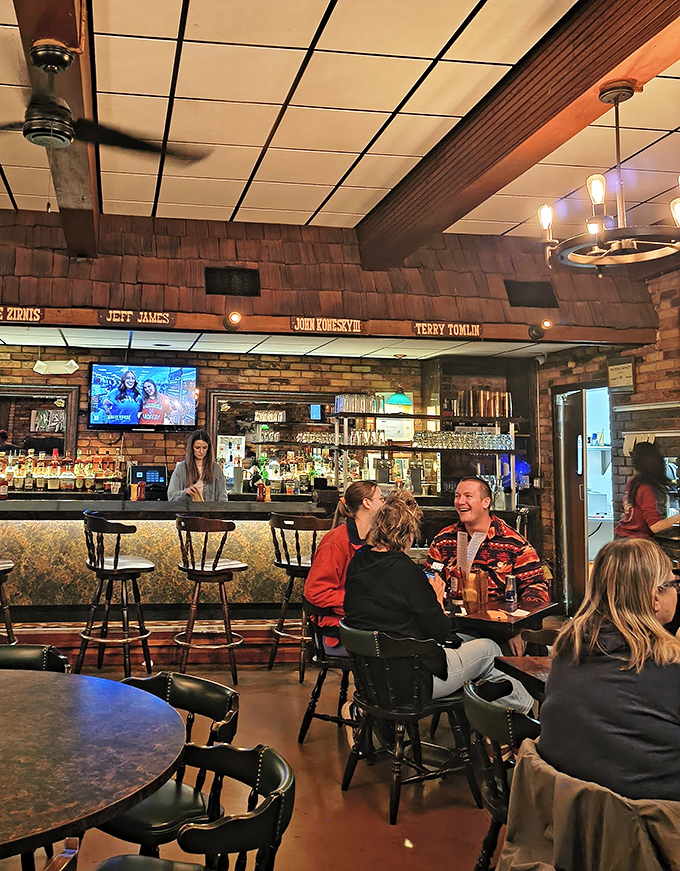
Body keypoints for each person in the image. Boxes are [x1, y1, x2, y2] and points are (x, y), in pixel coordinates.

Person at [344, 491, 532, 711]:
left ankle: (495, 722)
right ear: (408, 534)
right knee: (491, 649)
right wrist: (437, 599)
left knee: (472, 642)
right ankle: (522, 721)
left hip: (372, 677)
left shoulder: (359, 560)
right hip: (412, 680)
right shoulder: (404, 570)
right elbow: (440, 631)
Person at [538, 538, 680, 800]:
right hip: (655, 820)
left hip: (571, 811)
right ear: (655, 597)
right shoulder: (667, 667)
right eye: (674, 584)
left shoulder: (568, 649)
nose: (677, 591)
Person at [425, 476, 550, 655]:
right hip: (456, 627)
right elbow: (429, 580)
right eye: (457, 496)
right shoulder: (444, 540)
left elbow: (537, 588)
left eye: (468, 496)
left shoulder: (514, 543)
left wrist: (517, 628)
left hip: (501, 631)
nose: (460, 502)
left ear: (486, 502)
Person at [303, 480, 384, 653]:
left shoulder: (374, 539)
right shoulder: (336, 542)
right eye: (381, 499)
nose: (385, 504)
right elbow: (315, 592)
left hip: (362, 623)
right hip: (338, 631)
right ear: (366, 503)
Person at [615, 441, 680, 539]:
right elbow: (654, 527)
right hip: (634, 542)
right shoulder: (645, 489)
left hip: (621, 538)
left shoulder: (633, 482)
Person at [167, 429, 227, 502]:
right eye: (197, 448)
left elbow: (222, 498)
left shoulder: (216, 469)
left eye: (204, 448)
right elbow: (171, 497)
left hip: (210, 512)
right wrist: (185, 492)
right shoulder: (181, 468)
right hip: (187, 512)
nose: (201, 451)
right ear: (191, 448)